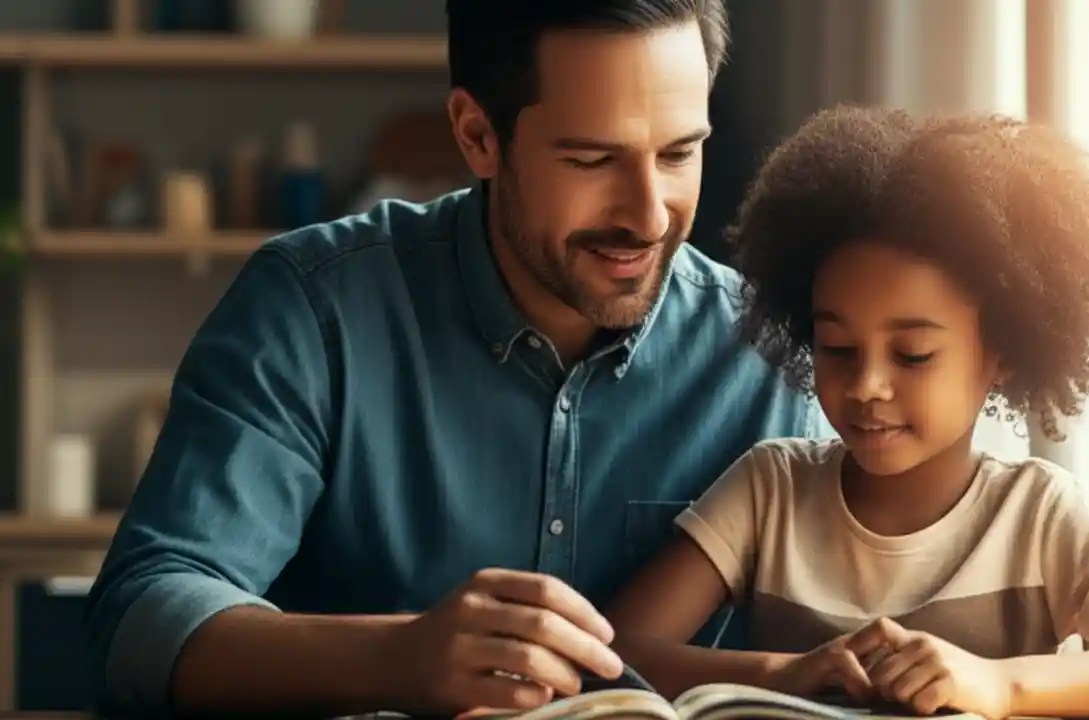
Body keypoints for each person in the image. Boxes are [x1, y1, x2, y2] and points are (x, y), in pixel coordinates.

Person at [82, 2, 830, 717]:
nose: (647, 214)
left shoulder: (775, 357)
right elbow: (138, 619)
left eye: (678, 153)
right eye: (592, 158)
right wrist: (397, 659)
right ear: (477, 135)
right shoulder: (313, 310)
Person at [605, 106, 1089, 719]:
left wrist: (998, 683)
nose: (867, 386)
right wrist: (783, 674)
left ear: (999, 351)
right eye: (838, 347)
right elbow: (614, 655)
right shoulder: (768, 492)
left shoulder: (1040, 518)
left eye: (912, 355)